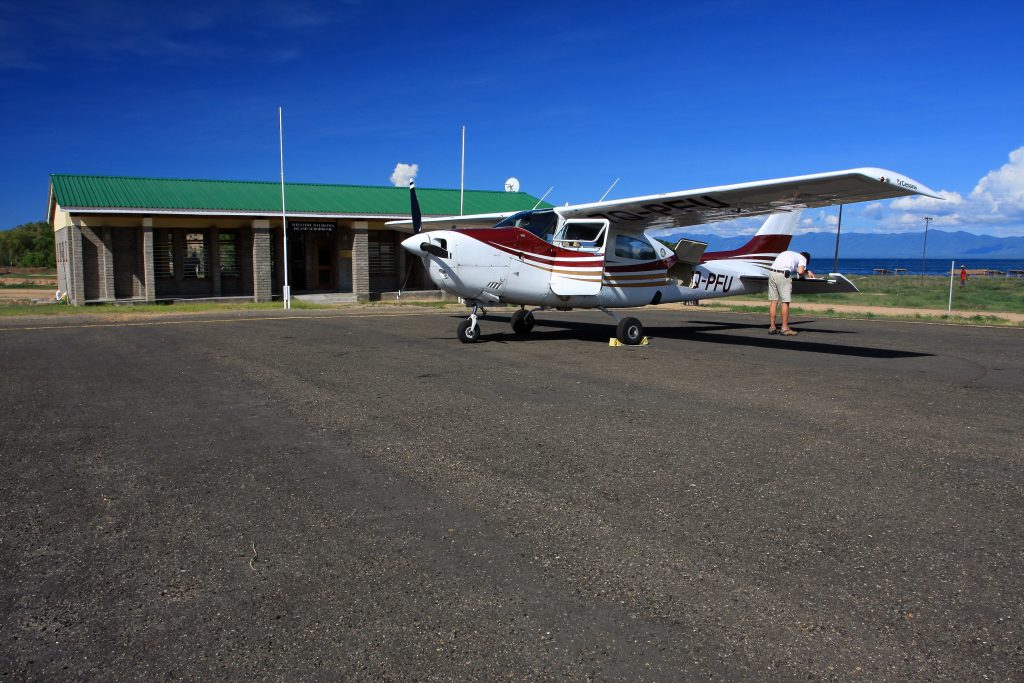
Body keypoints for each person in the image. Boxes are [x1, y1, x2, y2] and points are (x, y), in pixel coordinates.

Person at [767, 250, 815, 336]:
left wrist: (806, 271)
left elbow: (795, 268)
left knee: (773, 301)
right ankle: (785, 328)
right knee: (785, 302)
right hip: (783, 275)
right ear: (807, 260)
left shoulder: (788, 254)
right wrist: (806, 271)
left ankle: (772, 327)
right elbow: (800, 271)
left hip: (772, 273)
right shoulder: (803, 258)